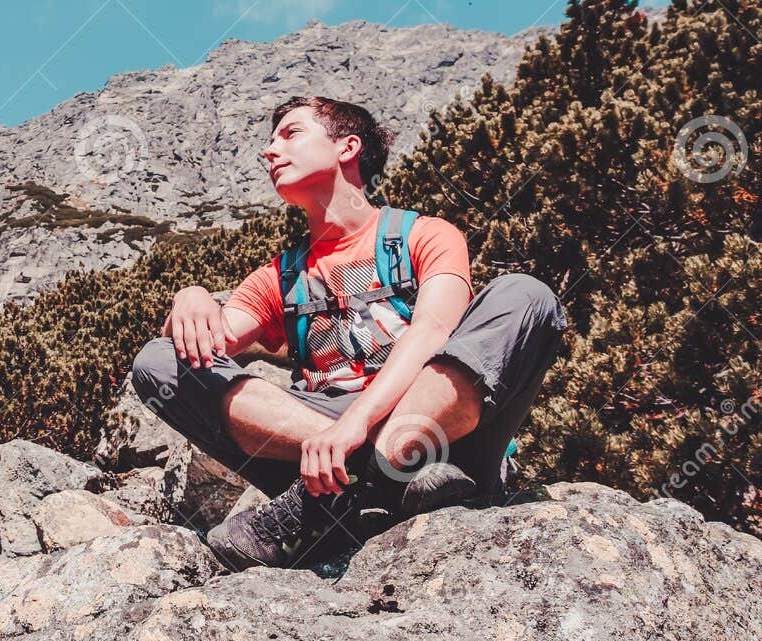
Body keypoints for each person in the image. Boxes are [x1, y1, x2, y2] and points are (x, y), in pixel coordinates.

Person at [128, 96, 569, 572]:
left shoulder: (424, 235)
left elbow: (433, 329)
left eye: (290, 133)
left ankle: (352, 489)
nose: (269, 150)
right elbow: (201, 343)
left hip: (445, 436)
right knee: (158, 361)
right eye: (270, 140)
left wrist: (353, 427)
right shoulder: (280, 277)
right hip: (323, 461)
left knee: (526, 295)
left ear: (348, 147)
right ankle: (378, 484)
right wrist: (191, 297)